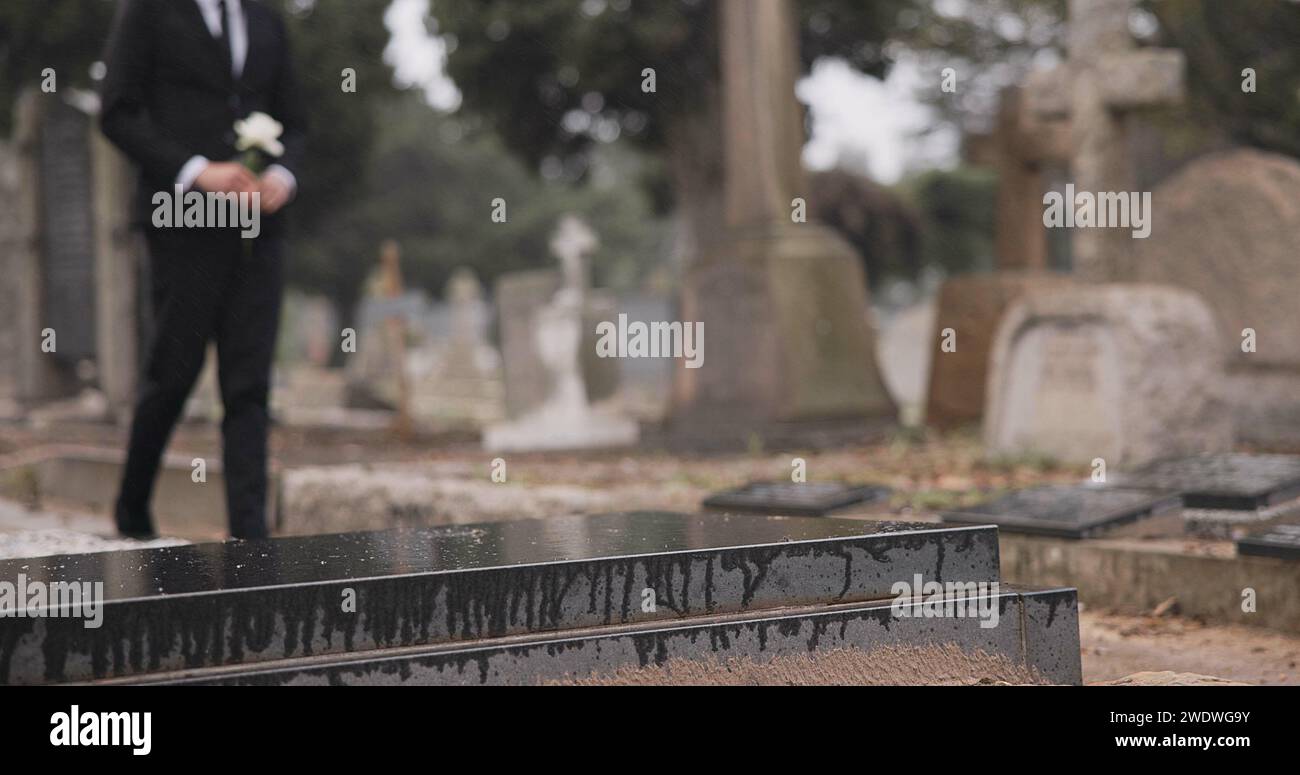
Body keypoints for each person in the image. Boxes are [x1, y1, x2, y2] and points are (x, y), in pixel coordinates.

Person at [100, 0, 306, 539]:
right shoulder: (148, 13)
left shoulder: (266, 18)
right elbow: (117, 112)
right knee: (173, 373)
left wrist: (281, 177)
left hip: (259, 230)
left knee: (249, 386)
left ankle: (250, 541)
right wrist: (196, 172)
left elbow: (297, 122)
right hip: (182, 220)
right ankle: (132, 511)